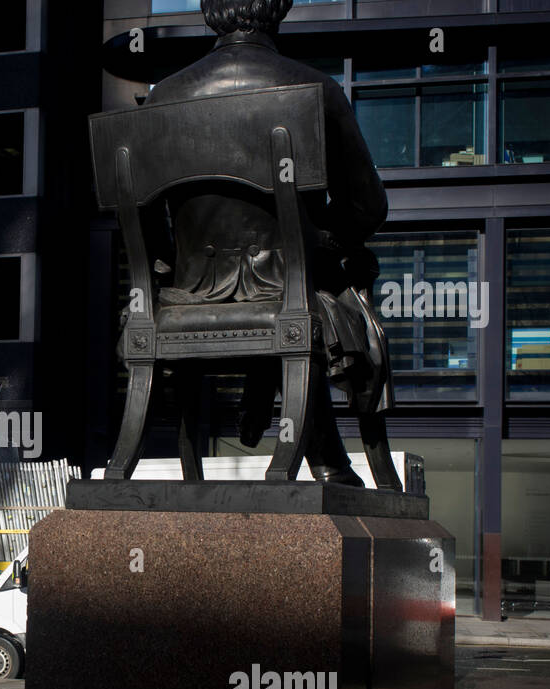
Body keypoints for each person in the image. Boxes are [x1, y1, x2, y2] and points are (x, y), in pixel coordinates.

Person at [142, 0, 395, 485]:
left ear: (210, 10)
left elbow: (149, 224)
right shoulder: (316, 88)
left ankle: (303, 433)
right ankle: (330, 463)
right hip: (288, 292)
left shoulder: (163, 97)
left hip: (186, 298)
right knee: (317, 284)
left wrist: (168, 271)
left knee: (297, 287)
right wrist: (321, 235)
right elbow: (369, 208)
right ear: (277, 8)